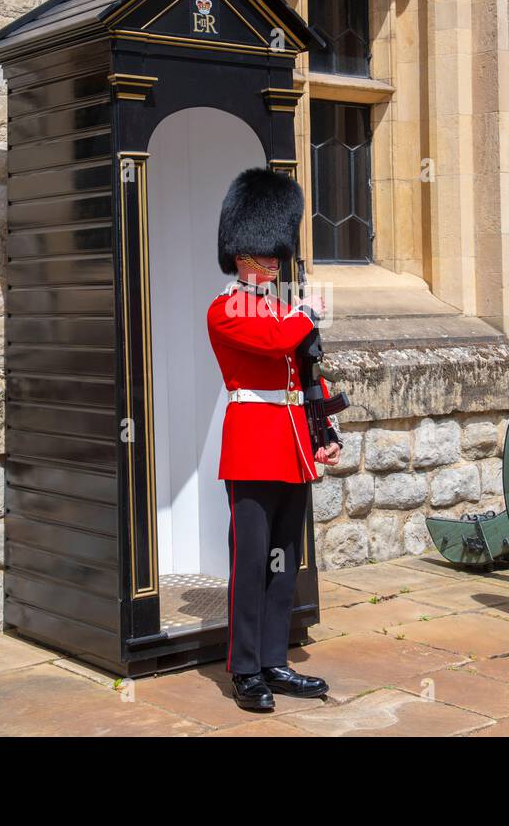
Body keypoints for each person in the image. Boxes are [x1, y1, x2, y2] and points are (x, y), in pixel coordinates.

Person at [207, 168, 342, 711]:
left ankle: (274, 660)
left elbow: (309, 375)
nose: (270, 266)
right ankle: (243, 670)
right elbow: (274, 341)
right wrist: (305, 313)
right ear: (239, 257)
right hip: (252, 445)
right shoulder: (225, 311)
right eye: (262, 258)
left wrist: (325, 431)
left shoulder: (285, 310)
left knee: (286, 558)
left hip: (293, 447)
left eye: (274, 258)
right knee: (252, 559)